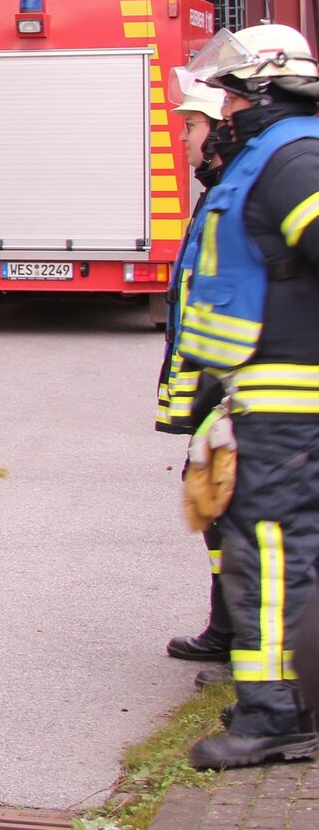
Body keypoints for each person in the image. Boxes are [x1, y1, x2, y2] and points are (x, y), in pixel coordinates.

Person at [172, 26, 319, 770]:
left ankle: (275, 715)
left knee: (270, 556)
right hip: (268, 399)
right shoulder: (278, 155)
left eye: (229, 94)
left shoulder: (295, 160)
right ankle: (281, 704)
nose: (221, 109)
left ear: (262, 90)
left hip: (294, 405)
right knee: (273, 552)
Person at [159, 75, 232, 672]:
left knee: (224, 503)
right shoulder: (217, 193)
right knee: (214, 503)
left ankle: (234, 631)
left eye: (191, 125)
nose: (182, 136)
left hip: (237, 391)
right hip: (221, 390)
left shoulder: (233, 192)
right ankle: (227, 624)